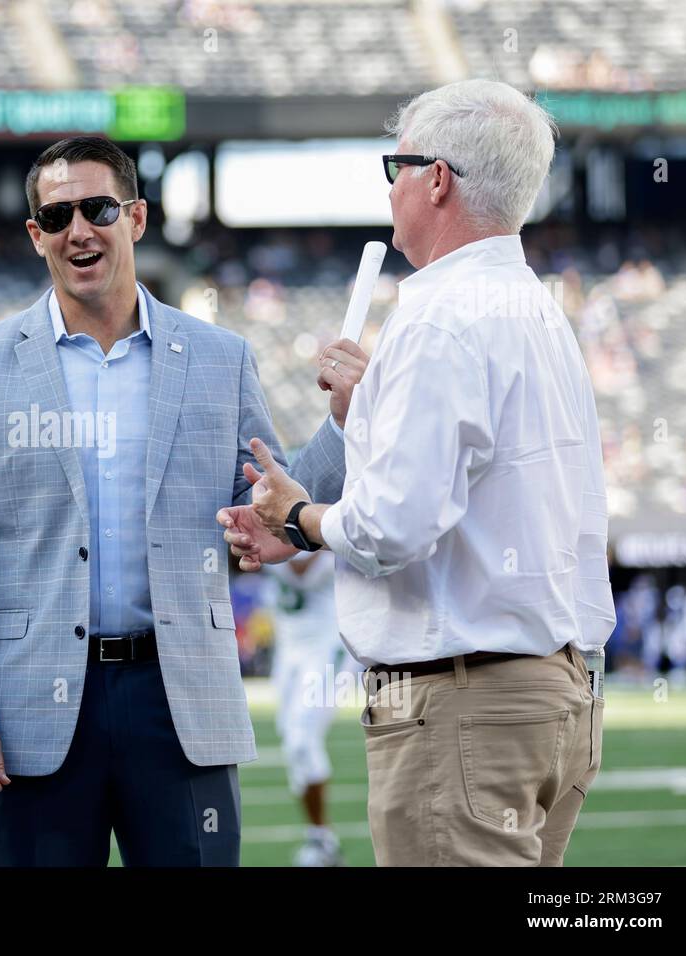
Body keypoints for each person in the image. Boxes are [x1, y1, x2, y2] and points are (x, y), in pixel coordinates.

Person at [0, 135, 367, 866]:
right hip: (32, 714)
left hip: (178, 701)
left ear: (136, 217)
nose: (79, 229)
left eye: (97, 208)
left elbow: (273, 505)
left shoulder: (220, 358)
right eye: (57, 215)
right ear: (36, 235)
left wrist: (345, 423)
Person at [220, 79, 614, 866]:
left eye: (395, 165)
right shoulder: (534, 307)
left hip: (463, 700)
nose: (391, 185)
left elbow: (394, 525)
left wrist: (299, 517)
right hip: (555, 696)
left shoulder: (437, 315)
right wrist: (364, 416)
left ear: (437, 178)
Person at [263, 550, 346, 866]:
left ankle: (321, 839)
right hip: (288, 650)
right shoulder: (272, 515)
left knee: (302, 739)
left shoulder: (320, 510)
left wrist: (284, 529)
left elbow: (301, 568)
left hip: (326, 646)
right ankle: (321, 840)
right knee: (292, 743)